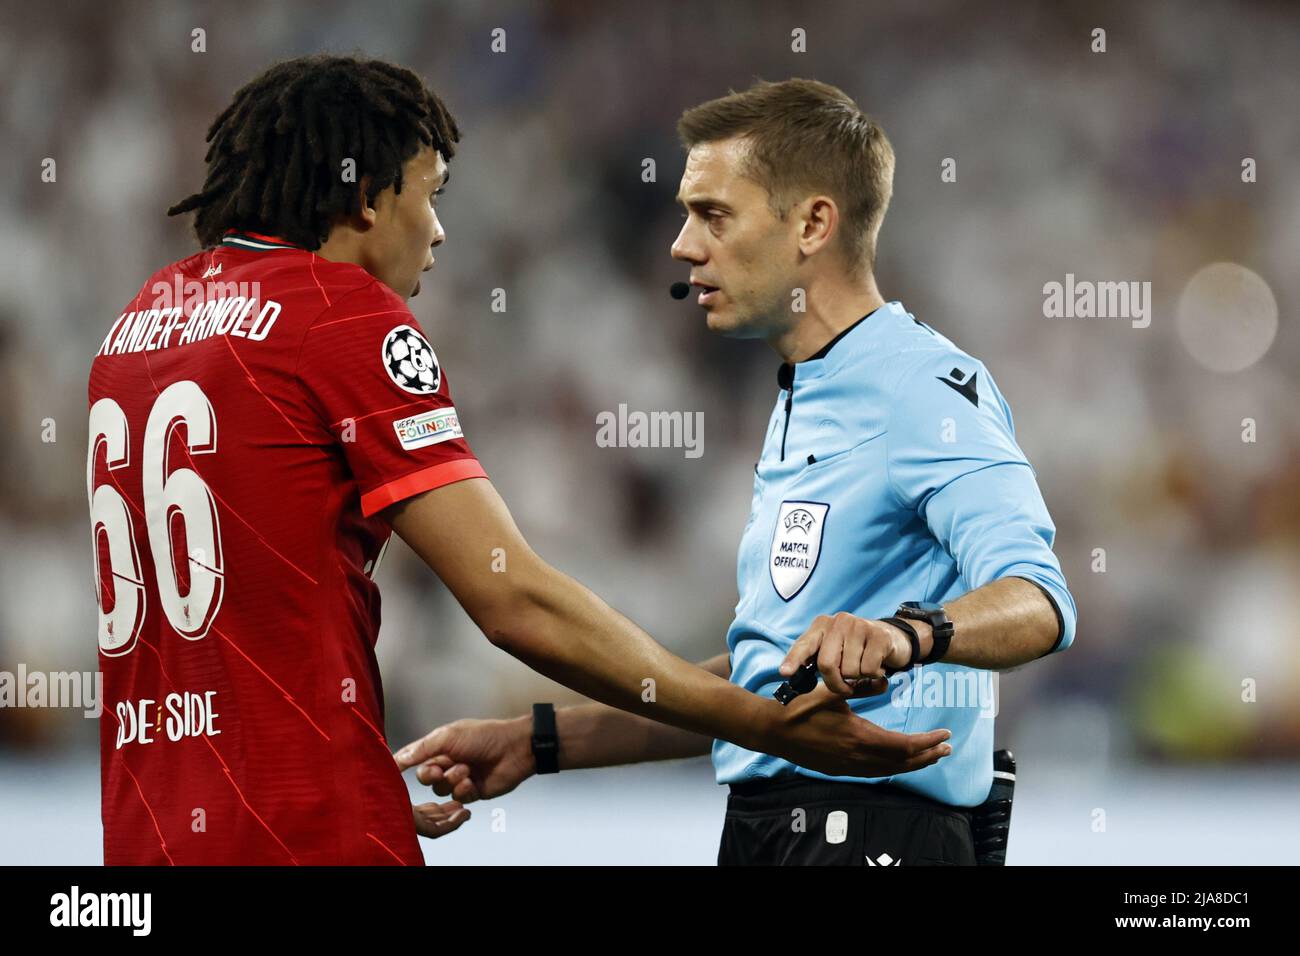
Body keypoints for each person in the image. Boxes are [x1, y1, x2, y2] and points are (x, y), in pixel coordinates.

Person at [86, 57, 952, 865]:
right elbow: (513, 600)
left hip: (148, 832)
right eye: (429, 195)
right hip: (311, 831)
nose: (438, 231)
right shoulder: (340, 313)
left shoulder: (137, 327)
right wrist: (763, 722)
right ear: (365, 201)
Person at [398, 78, 1077, 866]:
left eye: (713, 215)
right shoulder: (810, 389)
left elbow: (1041, 599)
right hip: (776, 833)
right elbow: (763, 686)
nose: (684, 246)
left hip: (870, 836)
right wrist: (542, 741)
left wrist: (907, 634)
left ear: (814, 224)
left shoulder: (919, 386)